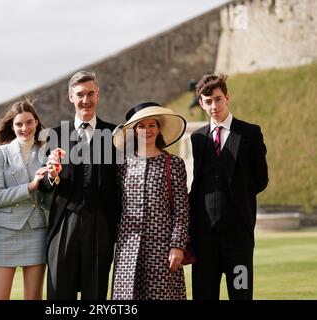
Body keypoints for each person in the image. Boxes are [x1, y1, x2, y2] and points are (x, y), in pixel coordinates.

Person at [39, 70, 121, 300]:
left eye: (91, 94)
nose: (86, 100)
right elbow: (45, 186)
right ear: (70, 97)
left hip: (101, 224)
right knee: (59, 292)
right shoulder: (55, 135)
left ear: (99, 95)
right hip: (64, 221)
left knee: (94, 293)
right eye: (80, 95)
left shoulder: (114, 134)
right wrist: (51, 176)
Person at [189, 74, 268, 300]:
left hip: (238, 241)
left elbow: (260, 180)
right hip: (204, 240)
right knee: (203, 295)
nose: (214, 106)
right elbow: (200, 183)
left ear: (227, 97)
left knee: (241, 294)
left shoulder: (250, 133)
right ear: (202, 104)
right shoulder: (198, 138)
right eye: (208, 101)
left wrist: (236, 205)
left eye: (218, 99)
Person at [111, 102, 189, 300]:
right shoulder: (123, 165)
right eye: (141, 126)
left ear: (159, 128)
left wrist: (177, 245)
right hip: (128, 249)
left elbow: (181, 210)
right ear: (134, 131)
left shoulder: (173, 164)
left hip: (162, 249)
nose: (147, 130)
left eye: (152, 125)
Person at [0, 99, 52, 300]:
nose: (25, 128)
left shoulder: (47, 154)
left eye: (29, 122)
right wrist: (30, 186)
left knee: (33, 298)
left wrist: (53, 179)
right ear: (12, 126)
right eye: (19, 124)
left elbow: (50, 196)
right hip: (6, 233)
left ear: (37, 122)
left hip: (37, 230)